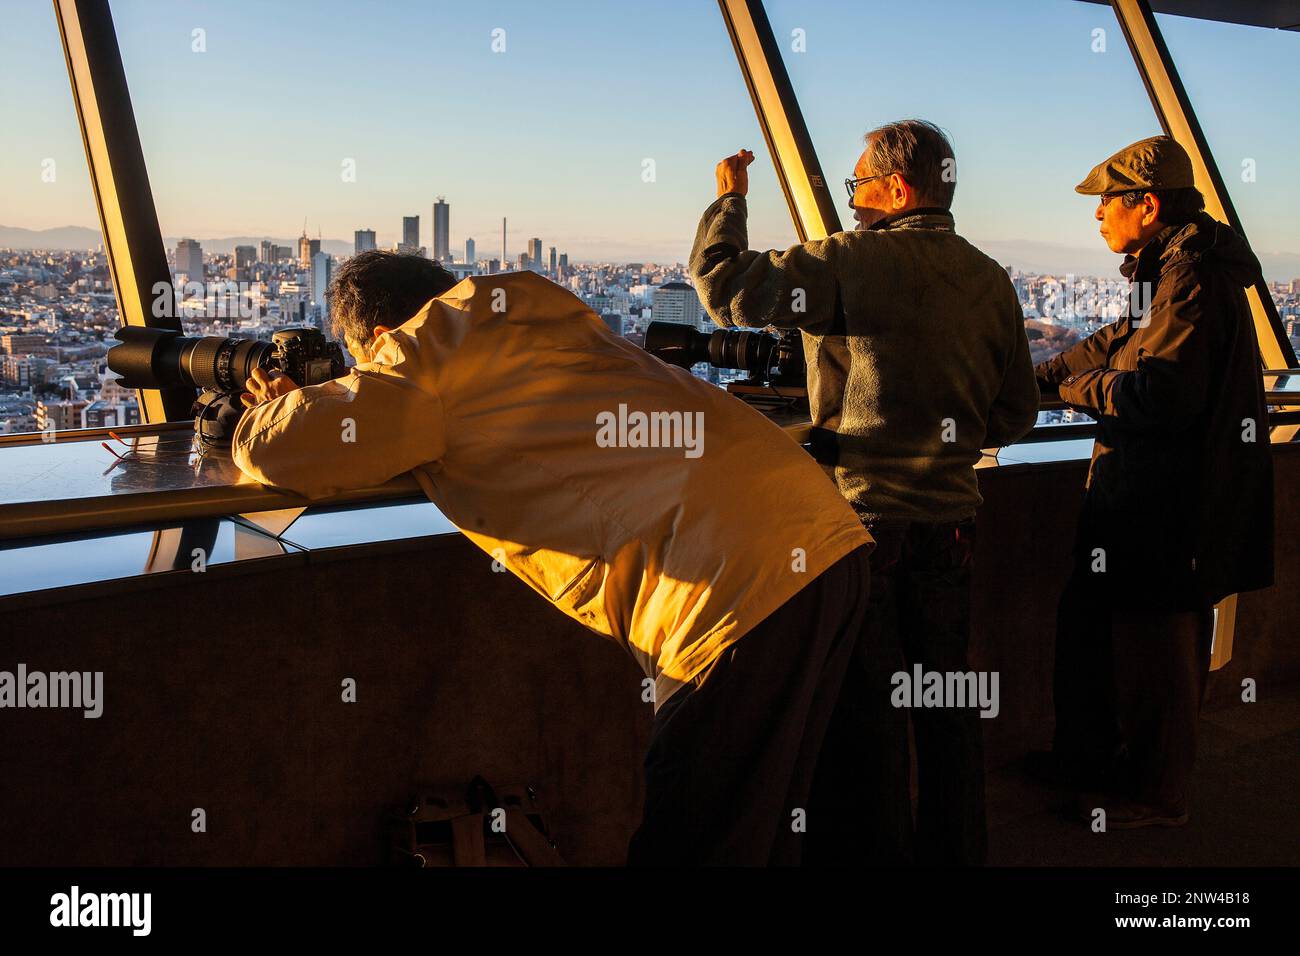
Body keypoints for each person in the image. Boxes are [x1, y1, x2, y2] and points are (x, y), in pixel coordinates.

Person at [233, 250, 876, 865]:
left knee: (691, 840)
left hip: (734, 592)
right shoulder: (532, 313)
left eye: (358, 363)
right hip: (825, 541)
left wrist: (273, 409)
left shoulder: (421, 351)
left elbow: (294, 449)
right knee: (772, 832)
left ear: (378, 334)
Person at [689, 120, 1039, 865]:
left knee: (870, 712)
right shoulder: (990, 278)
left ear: (898, 189)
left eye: (859, 186)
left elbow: (726, 291)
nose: (852, 202)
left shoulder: (855, 261)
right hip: (951, 526)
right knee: (945, 705)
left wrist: (730, 200)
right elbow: (1014, 413)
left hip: (866, 523)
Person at [1034, 135, 1273, 827]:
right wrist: (1039, 377)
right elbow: (1115, 343)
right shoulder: (1169, 270)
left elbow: (1158, 394)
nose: (1098, 215)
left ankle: (1154, 796)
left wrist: (1073, 388)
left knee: (1158, 652)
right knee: (1111, 634)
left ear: (1148, 203)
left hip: (1172, 507)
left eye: (1108, 201)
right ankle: (1097, 765)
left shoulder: (1191, 278)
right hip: (1147, 500)